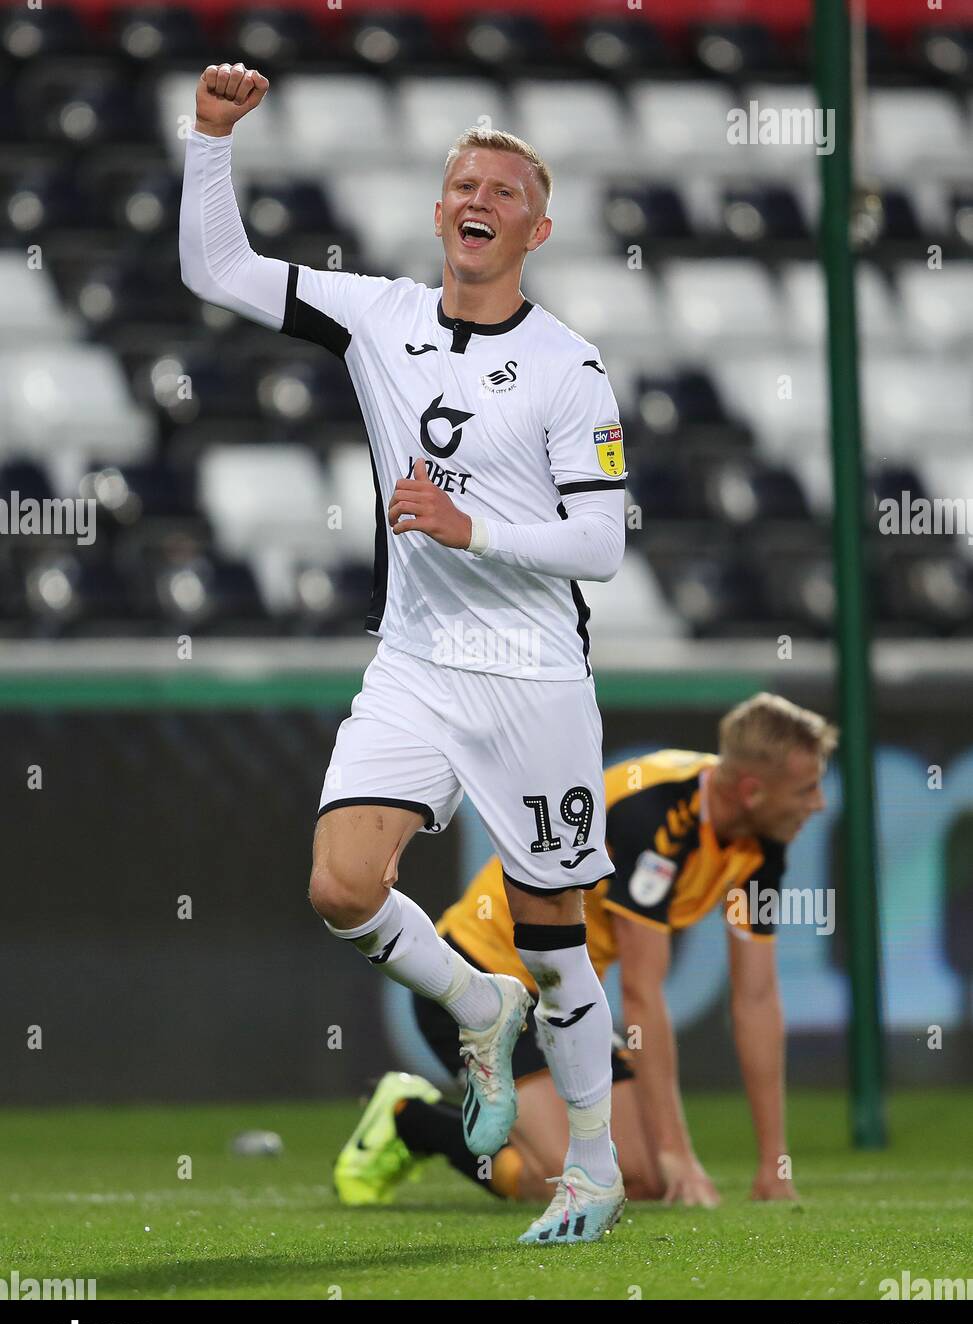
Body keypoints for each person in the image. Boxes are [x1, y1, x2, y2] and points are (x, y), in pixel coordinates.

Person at [180, 63, 630, 1243]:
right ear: (439, 213)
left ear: (537, 225)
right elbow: (216, 270)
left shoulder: (568, 367)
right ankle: (471, 1004)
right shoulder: (376, 316)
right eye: (461, 183)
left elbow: (601, 544)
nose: (477, 198)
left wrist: (465, 522)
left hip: (533, 679)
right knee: (341, 885)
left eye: (503, 189)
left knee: (555, 939)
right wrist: (211, 137)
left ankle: (592, 1166)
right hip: (420, 660)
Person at [335, 693, 837, 1210]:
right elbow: (643, 994)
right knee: (563, 1179)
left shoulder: (763, 841)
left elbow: (755, 998)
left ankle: (474, 1126)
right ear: (753, 791)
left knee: (642, 1181)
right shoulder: (658, 817)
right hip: (478, 979)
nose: (818, 803)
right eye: (807, 788)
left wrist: (773, 1164)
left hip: (559, 996)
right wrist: (678, 1151)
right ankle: (412, 1119)